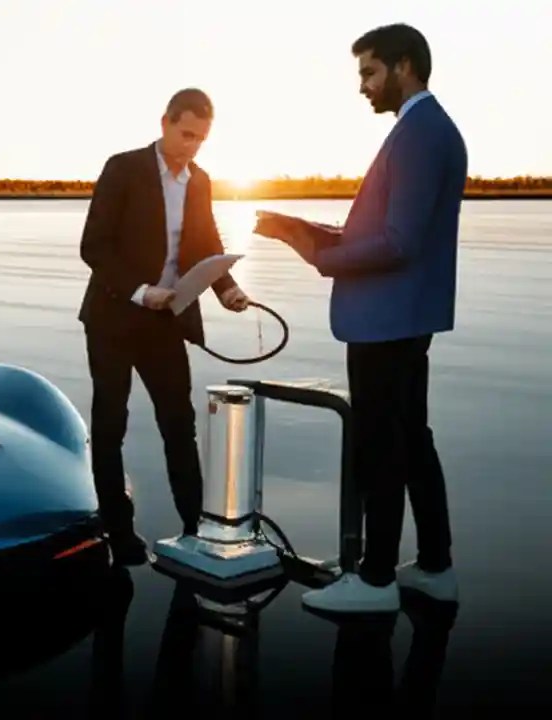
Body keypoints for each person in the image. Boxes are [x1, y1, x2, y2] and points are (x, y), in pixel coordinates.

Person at [254, 23, 466, 612]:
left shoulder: (421, 132)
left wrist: (324, 259)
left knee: (381, 446)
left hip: (387, 321)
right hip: (401, 317)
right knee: (411, 440)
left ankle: (375, 581)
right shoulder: (423, 128)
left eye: (370, 73)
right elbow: (383, 232)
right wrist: (303, 230)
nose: (364, 86)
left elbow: (397, 243)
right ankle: (434, 566)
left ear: (404, 67)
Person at [78, 88, 251, 568]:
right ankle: (119, 531)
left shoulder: (200, 181)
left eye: (201, 139)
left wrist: (227, 289)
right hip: (113, 319)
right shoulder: (123, 168)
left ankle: (196, 530)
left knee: (180, 425)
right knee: (112, 426)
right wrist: (139, 290)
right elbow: (94, 246)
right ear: (165, 122)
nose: (192, 146)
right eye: (186, 134)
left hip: (166, 324)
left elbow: (204, 244)